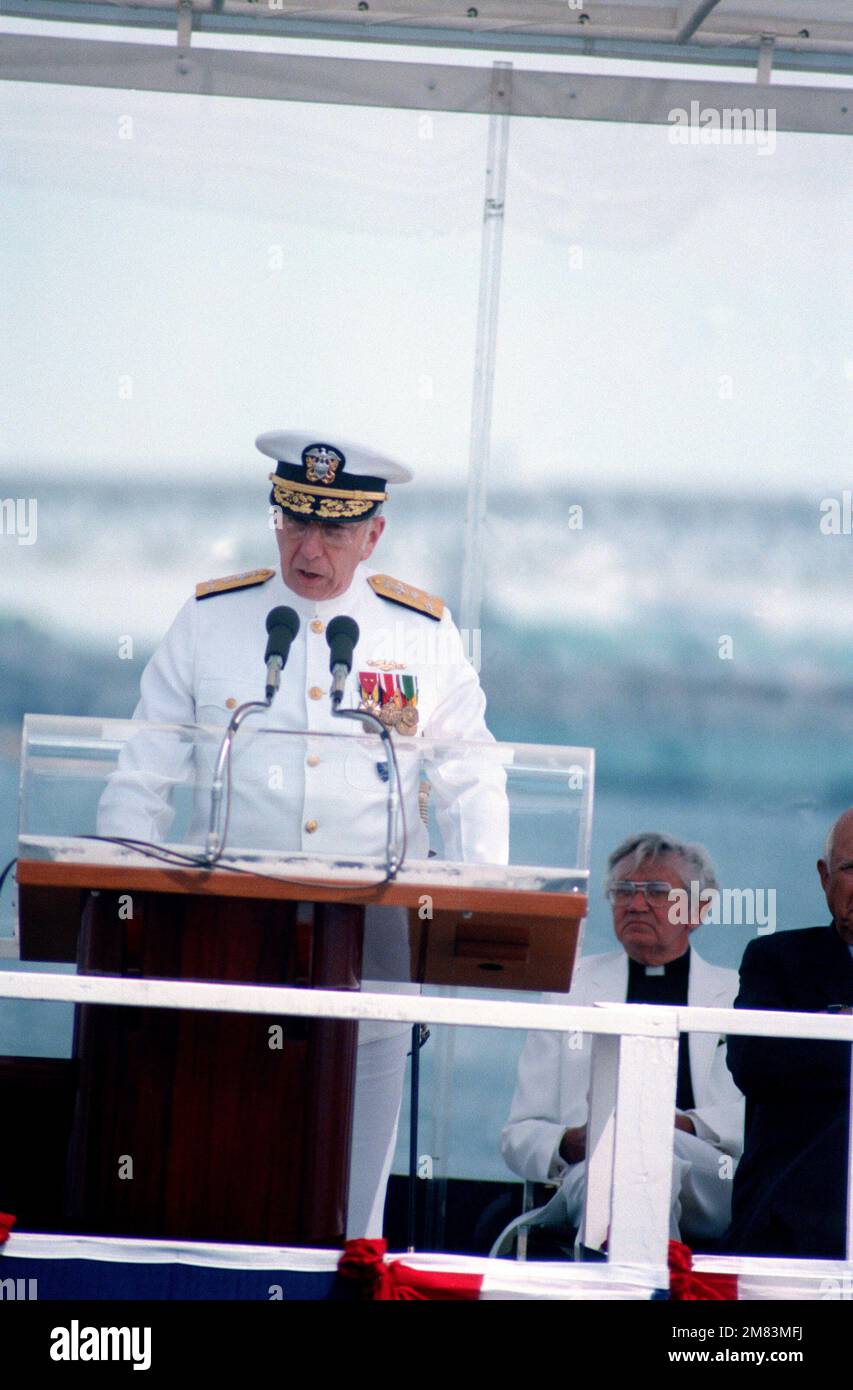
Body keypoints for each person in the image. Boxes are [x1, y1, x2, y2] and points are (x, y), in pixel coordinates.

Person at [97, 430, 509, 1238]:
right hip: (220, 930)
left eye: (332, 530)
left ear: (372, 536)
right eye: (293, 523)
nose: (308, 548)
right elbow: (142, 773)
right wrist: (116, 906)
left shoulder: (417, 634)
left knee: (353, 1187)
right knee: (219, 1150)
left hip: (378, 940)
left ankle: (350, 1276)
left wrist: (477, 900)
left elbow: (470, 774)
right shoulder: (211, 621)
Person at [501, 832, 744, 1248]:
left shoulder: (739, 994)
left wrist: (680, 1125)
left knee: (645, 1145)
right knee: (635, 1159)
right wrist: (570, 1142)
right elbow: (519, 1135)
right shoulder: (570, 987)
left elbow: (757, 1119)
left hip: (710, 1178)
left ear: (699, 908)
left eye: (654, 891)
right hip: (590, 1172)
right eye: (623, 891)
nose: (635, 904)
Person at [726, 808, 853, 1258]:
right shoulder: (776, 960)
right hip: (788, 1219)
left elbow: (799, 1063)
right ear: (825, 878)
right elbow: (754, 1064)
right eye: (851, 868)